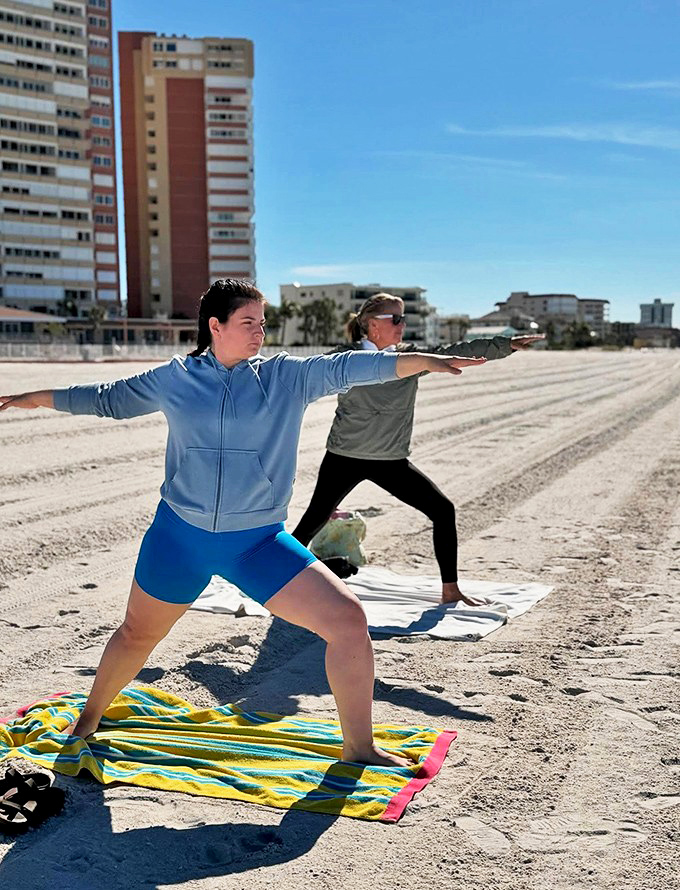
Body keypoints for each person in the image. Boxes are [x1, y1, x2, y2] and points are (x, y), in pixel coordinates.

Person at [0, 279, 488, 769]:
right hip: (179, 538)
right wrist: (35, 397)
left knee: (347, 619)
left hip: (257, 544)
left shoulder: (284, 378)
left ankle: (359, 747)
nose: (259, 333)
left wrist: (421, 360)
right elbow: (106, 398)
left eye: (263, 323)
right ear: (216, 326)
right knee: (136, 636)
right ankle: (88, 720)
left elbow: (350, 366)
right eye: (248, 322)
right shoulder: (177, 378)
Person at [292, 293, 543, 606]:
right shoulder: (345, 358)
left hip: (390, 460)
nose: (402, 324)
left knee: (443, 510)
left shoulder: (410, 358)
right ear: (372, 325)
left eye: (404, 318)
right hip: (344, 457)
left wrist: (506, 345)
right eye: (395, 318)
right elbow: (298, 374)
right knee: (311, 521)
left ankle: (450, 590)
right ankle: (275, 583)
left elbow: (454, 352)